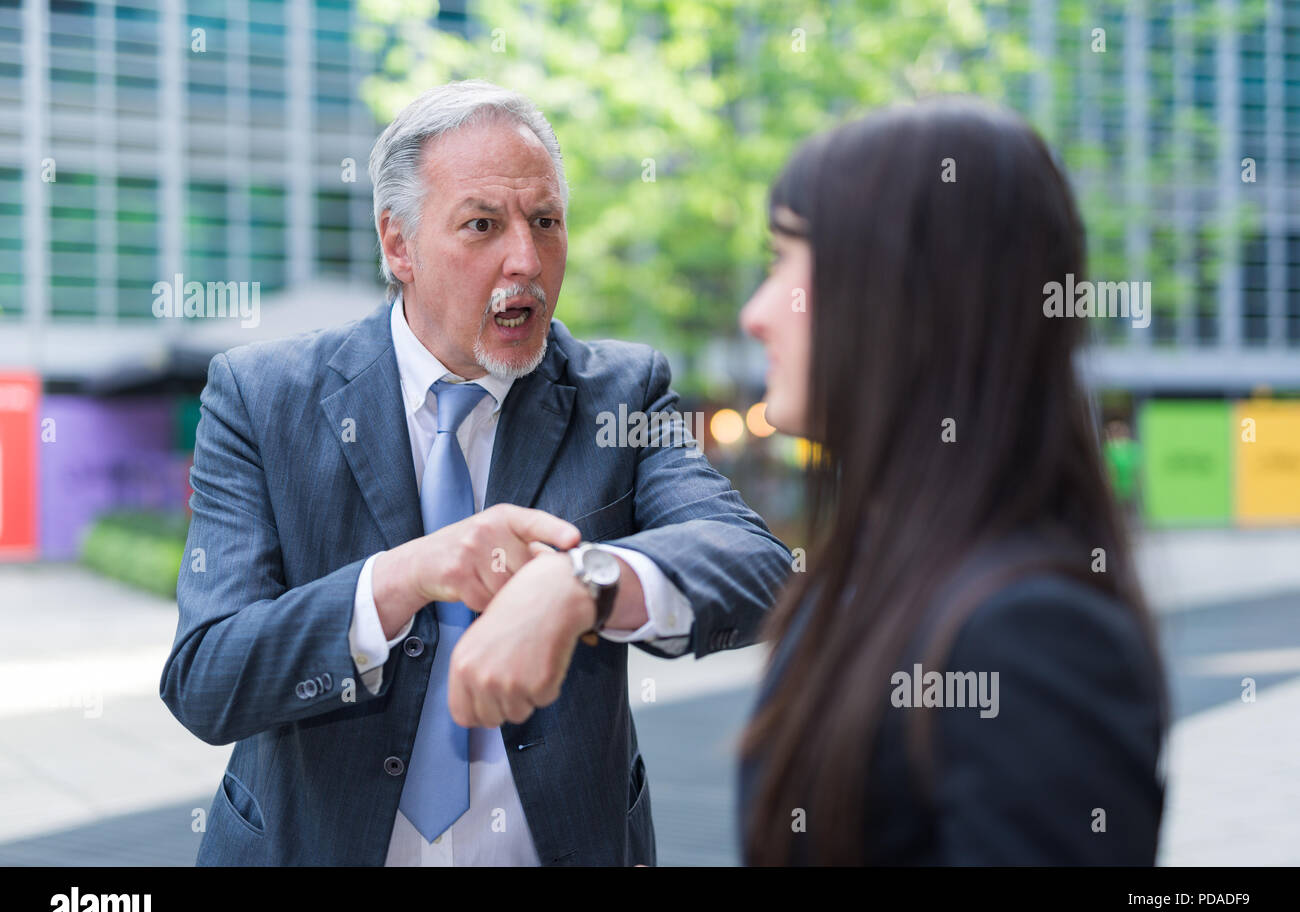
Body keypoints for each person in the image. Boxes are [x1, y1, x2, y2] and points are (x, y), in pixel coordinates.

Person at [161, 80, 790, 866]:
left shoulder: (623, 392)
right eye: (483, 224)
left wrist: (583, 581)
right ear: (400, 244)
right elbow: (208, 675)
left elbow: (758, 568)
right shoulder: (262, 396)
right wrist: (403, 578)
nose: (524, 260)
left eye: (546, 222)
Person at [735, 97, 1169, 865]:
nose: (755, 313)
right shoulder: (873, 575)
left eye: (785, 260)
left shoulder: (1027, 637)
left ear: (907, 299)